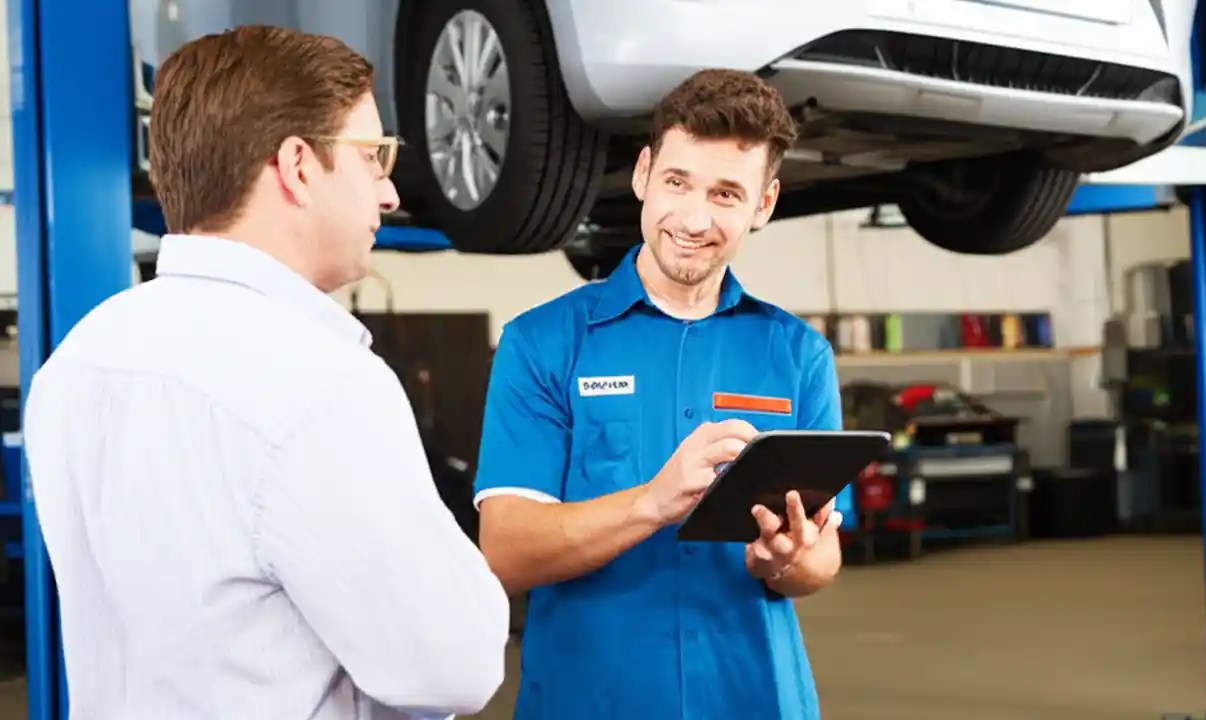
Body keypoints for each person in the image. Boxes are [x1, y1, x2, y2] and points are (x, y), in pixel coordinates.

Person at [22, 26, 508, 720]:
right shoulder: (320, 384)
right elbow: (455, 665)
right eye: (373, 157)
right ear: (298, 166)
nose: (391, 193)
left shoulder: (79, 362)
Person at [473, 68, 845, 719]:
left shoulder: (797, 355)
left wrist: (789, 560)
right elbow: (505, 550)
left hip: (755, 698)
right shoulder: (543, 344)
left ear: (764, 205)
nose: (695, 218)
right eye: (678, 182)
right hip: (591, 701)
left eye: (727, 193)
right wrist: (653, 502)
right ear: (644, 173)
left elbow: (824, 558)